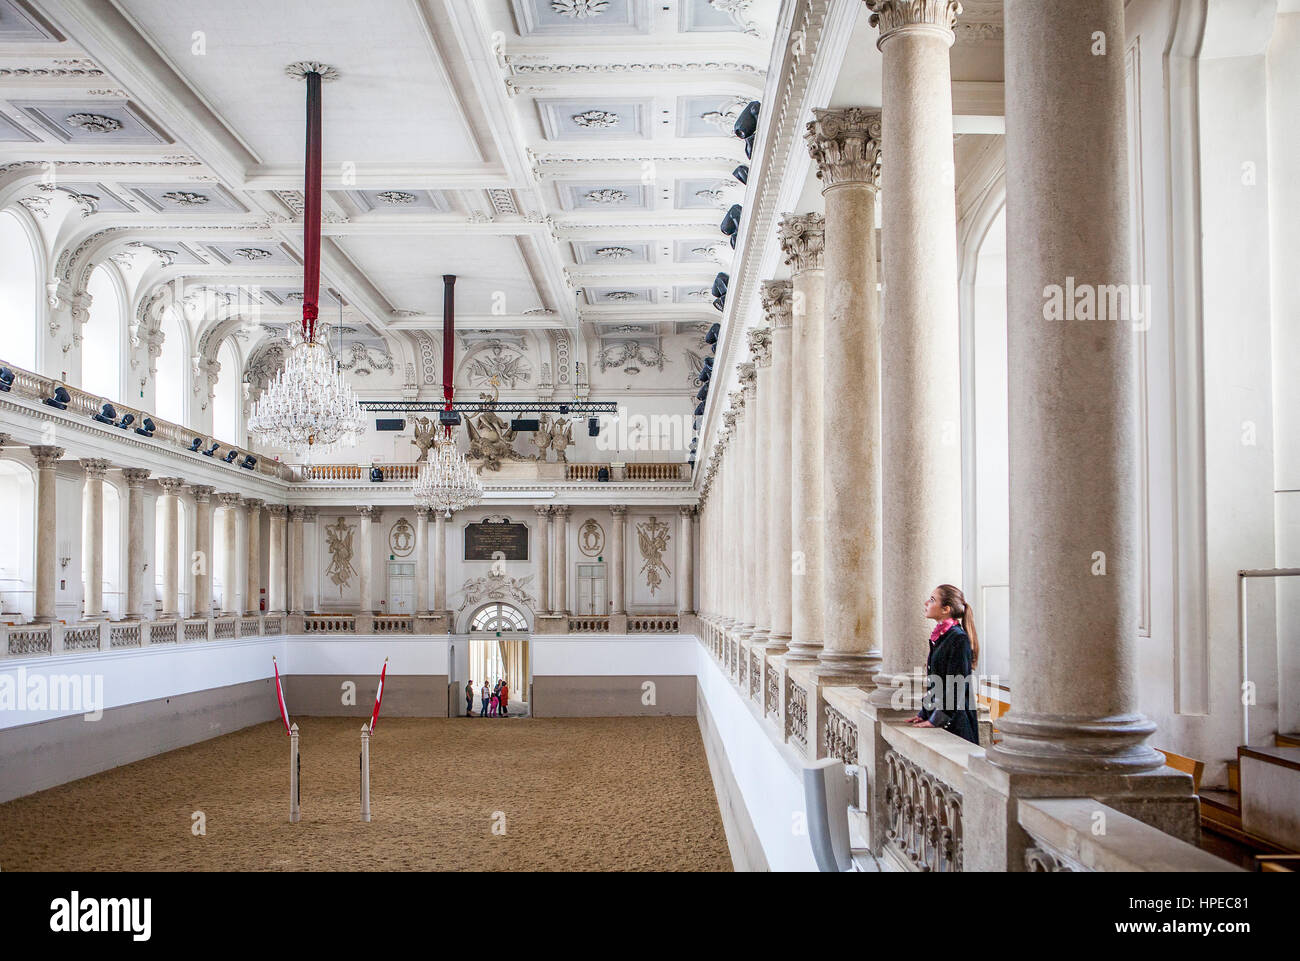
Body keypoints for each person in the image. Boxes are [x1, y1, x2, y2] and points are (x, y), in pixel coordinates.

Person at [908, 584, 980, 745]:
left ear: (946, 609)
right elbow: (936, 684)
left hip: (956, 724)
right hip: (943, 719)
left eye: (932, 600)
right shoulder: (942, 636)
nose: (926, 603)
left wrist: (936, 720)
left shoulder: (958, 638)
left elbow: (957, 684)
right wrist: (924, 714)